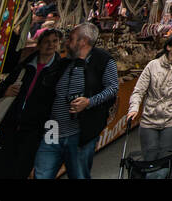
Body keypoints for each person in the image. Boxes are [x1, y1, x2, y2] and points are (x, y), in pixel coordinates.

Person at [34, 23, 119, 179]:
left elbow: (113, 88)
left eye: (71, 39)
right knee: (42, 174)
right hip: (53, 130)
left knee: (78, 175)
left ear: (83, 41)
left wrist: (89, 102)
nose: (66, 42)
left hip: (80, 134)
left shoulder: (103, 60)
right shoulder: (66, 61)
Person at [0, 27, 63, 179]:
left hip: (34, 131)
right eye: (46, 41)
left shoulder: (60, 70)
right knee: (0, 169)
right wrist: (5, 91)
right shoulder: (25, 66)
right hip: (10, 127)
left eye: (54, 41)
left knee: (21, 171)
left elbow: (58, 104)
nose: (51, 45)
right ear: (39, 44)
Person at [128, 31, 172, 178]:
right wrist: (134, 108)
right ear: (168, 47)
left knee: (164, 159)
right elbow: (139, 90)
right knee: (149, 158)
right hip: (149, 118)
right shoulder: (153, 65)